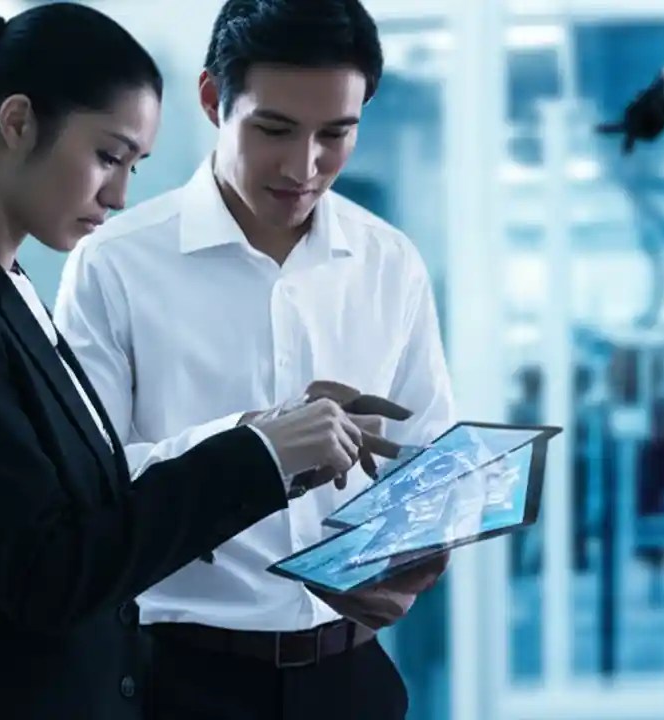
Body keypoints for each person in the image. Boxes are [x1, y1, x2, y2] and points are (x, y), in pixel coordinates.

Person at [0, 5, 387, 718]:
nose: (119, 195)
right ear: (18, 122)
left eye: (134, 166)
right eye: (108, 157)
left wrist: (258, 431)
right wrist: (258, 457)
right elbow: (52, 574)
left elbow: (91, 499)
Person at [53, 0, 455, 717]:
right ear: (213, 99)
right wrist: (256, 442)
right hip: (178, 681)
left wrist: (418, 551)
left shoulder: (389, 261)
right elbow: (88, 488)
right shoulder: (114, 264)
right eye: (274, 129)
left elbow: (427, 460)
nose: (304, 166)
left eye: (337, 133)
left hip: (352, 678)